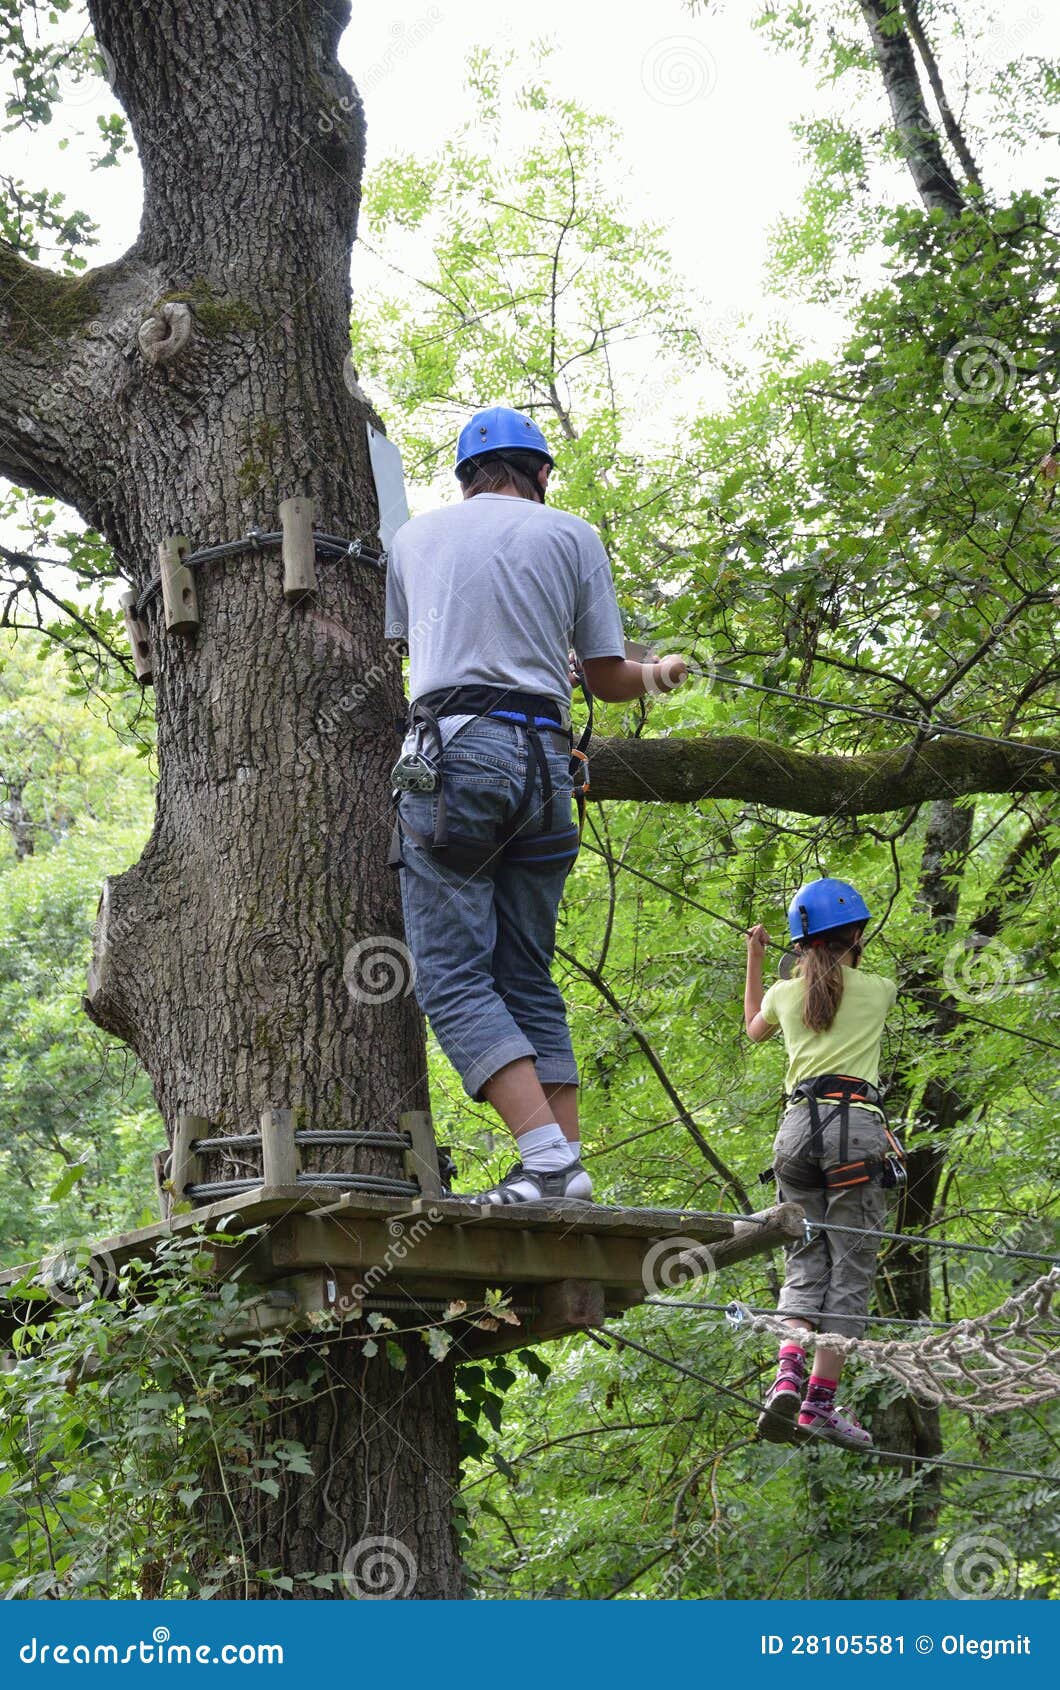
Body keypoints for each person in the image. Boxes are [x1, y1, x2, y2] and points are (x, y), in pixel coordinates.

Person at [385, 404, 687, 1205]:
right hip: (549, 768)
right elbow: (613, 679)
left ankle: (547, 1161)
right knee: (526, 972)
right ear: (540, 473)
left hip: (456, 760)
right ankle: (567, 1169)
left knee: (451, 971)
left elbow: (425, 650)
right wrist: (664, 669)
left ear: (465, 477)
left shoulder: (412, 540)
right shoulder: (573, 536)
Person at [743, 876, 903, 1450]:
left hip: (795, 1134)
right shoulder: (880, 988)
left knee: (805, 1257)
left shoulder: (785, 996)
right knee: (850, 1270)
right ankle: (817, 1405)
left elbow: (753, 1030)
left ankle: (786, 1373)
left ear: (801, 943)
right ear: (857, 934)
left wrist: (755, 960)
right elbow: (840, 986)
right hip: (855, 1130)